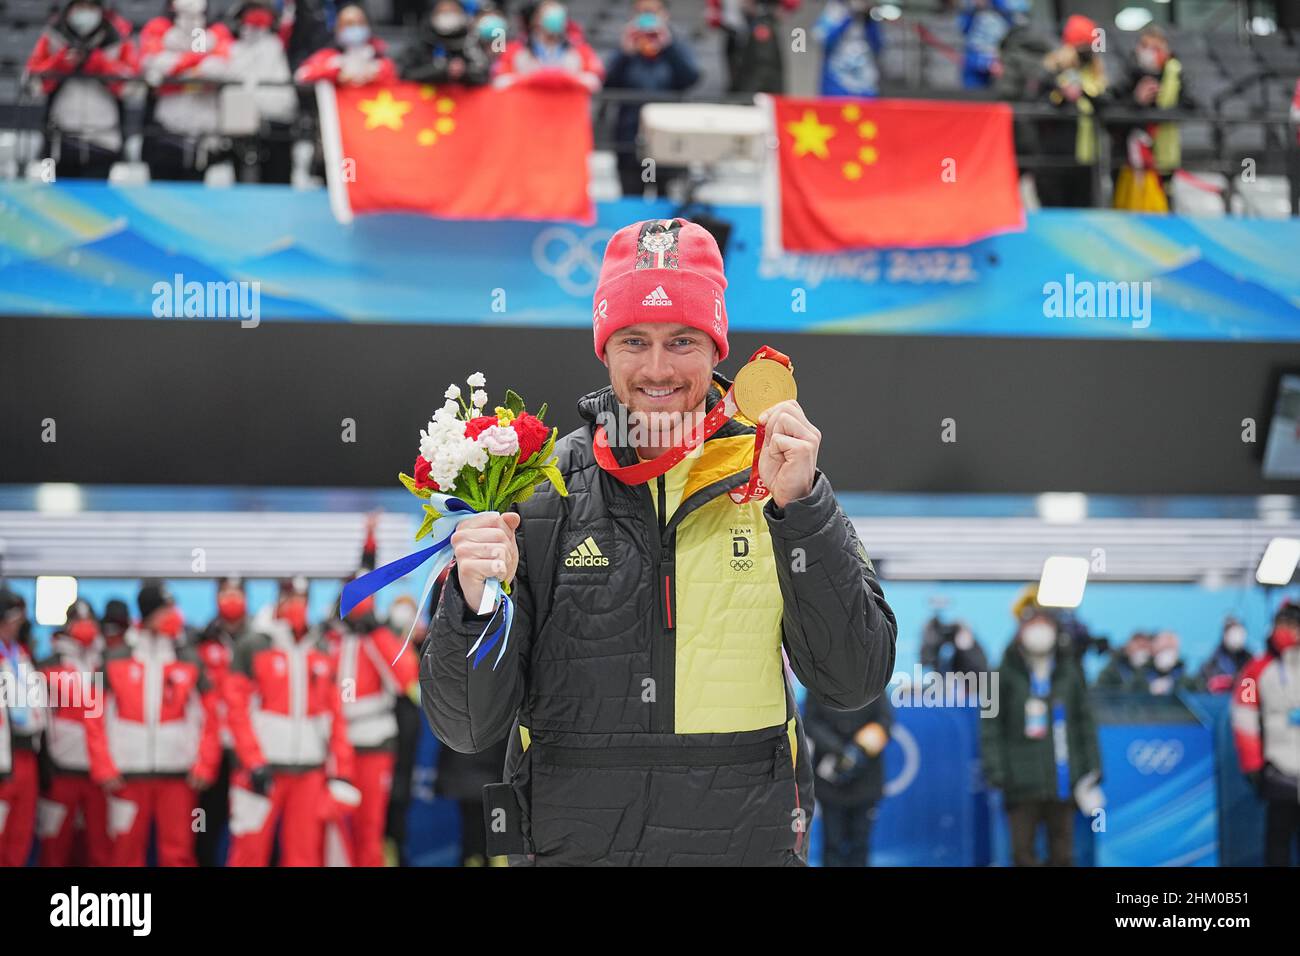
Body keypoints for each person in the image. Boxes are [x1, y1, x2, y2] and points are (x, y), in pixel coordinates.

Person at [420, 217, 898, 866]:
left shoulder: (780, 480)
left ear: (716, 348)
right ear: (605, 349)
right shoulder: (541, 494)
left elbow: (853, 679)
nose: (656, 368)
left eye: (681, 341)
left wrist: (805, 509)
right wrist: (475, 603)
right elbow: (466, 725)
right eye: (634, 340)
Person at [83, 582, 221, 867]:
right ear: (149, 614)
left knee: (179, 854)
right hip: (126, 777)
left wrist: (205, 764)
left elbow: (211, 716)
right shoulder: (113, 658)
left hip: (178, 778)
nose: (175, 616)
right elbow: (93, 714)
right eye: (166, 610)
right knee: (124, 854)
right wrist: (103, 767)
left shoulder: (189, 659)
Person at [223, 577, 355, 866]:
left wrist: (341, 770)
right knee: (249, 853)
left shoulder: (320, 648)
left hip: (309, 771)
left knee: (304, 856)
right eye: (289, 597)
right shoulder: (253, 644)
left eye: (302, 598)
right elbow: (236, 710)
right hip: (261, 772)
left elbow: (334, 715)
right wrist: (253, 761)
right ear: (278, 600)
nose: (296, 605)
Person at [327, 517, 419, 867]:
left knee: (370, 830)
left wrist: (376, 632)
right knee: (336, 830)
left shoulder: (379, 638)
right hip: (336, 748)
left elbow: (404, 680)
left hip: (375, 744)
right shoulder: (330, 638)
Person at [980, 609, 1101, 866]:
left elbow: (1085, 723)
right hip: (1019, 781)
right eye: (1033, 624)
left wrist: (1092, 767)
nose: (1039, 630)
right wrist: (997, 771)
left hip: (1063, 779)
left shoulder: (1070, 671)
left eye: (1045, 624)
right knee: (1022, 853)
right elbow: (990, 727)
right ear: (1020, 631)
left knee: (1063, 853)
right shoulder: (999, 673)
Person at [24, 0, 139, 179]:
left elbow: (133, 88)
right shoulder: (53, 36)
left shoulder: (118, 38)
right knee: (58, 201)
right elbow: (32, 84)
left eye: (91, 7)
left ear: (101, 10)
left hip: (103, 141)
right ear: (69, 9)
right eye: (80, 7)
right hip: (60, 143)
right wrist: (60, 64)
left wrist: (100, 65)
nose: (85, 13)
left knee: (97, 202)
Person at [36, 600, 111, 867]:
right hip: (60, 773)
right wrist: (44, 765)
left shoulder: (104, 665)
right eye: (78, 621)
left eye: (89, 621)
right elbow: (38, 720)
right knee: (54, 847)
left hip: (99, 777)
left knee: (100, 850)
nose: (84, 627)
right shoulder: (47, 665)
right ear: (67, 626)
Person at [603, 0, 699, 197]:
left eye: (653, 12)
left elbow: (690, 78)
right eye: (642, 12)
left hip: (666, 141)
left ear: (665, 15)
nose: (648, 17)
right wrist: (625, 54)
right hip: (630, 140)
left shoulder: (675, 44)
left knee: (665, 204)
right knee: (633, 202)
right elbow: (607, 84)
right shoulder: (626, 45)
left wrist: (668, 46)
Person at [1232, 602, 1300, 866]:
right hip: (1278, 770)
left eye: (1293, 625)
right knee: (1277, 842)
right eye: (1283, 624)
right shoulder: (1255, 670)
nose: (1289, 632)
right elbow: (1244, 717)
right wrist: (1254, 767)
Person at [139, 0, 235, 180]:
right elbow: (156, 64)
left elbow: (219, 69)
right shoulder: (160, 27)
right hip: (166, 130)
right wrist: (193, 64)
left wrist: (182, 72)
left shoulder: (212, 31)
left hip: (202, 133)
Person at [193, 576, 249, 867]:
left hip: (248, 750)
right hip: (211, 750)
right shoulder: (201, 641)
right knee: (205, 825)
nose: (231, 599)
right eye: (225, 593)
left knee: (251, 827)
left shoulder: (258, 640)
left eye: (236, 593)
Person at [803, 692, 892, 866]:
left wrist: (858, 750)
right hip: (829, 780)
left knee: (860, 844)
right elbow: (810, 721)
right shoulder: (818, 681)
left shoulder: (873, 682)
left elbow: (885, 721)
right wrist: (838, 750)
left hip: (866, 778)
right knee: (832, 843)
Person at [1111, 23, 1191, 211]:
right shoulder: (1126, 74)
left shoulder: (1176, 76)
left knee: (1163, 212)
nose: (1150, 52)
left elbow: (1191, 106)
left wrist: (1160, 109)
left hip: (1163, 161)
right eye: (1145, 46)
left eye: (1156, 48)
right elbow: (1112, 114)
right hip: (1126, 163)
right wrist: (1137, 101)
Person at [1035, 13, 1108, 208]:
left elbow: (1105, 103)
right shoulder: (1051, 71)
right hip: (1055, 159)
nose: (1087, 53)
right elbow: (1037, 108)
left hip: (1086, 159)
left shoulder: (1095, 73)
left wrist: (1084, 92)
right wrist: (1061, 95)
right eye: (1082, 47)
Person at [0, 588, 42, 867]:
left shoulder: (22, 656)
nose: (17, 625)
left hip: (26, 756)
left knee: (21, 834)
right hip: (3, 764)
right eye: (13, 619)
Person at [494, 1, 603, 91]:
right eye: (548, 16)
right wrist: (534, 80)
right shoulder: (515, 49)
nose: (555, 20)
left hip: (565, 111)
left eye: (558, 17)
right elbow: (500, 81)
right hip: (526, 110)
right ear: (536, 19)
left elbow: (594, 81)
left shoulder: (580, 49)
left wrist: (563, 80)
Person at [709, 0, 799, 94]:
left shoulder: (761, 28)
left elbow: (763, 72)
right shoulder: (743, 29)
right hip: (737, 37)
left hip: (758, 94)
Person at [295, 3, 397, 85]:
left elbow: (396, 77)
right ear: (338, 28)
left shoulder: (378, 55)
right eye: (349, 24)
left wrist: (375, 75)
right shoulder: (329, 56)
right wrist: (336, 73)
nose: (356, 27)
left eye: (360, 23)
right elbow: (301, 75)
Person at [398, 0, 492, 85]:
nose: (447, 15)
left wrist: (464, 72)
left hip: (464, 101)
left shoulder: (472, 41)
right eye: (442, 11)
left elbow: (485, 75)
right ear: (433, 15)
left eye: (453, 11)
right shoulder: (421, 41)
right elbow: (405, 73)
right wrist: (439, 71)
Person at [812, 0, 881, 97]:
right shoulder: (834, 10)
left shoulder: (869, 16)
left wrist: (868, 20)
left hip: (864, 82)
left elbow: (878, 46)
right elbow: (822, 38)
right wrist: (848, 18)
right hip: (836, 79)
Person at [958, 0, 1022, 90]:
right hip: (976, 63)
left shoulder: (1004, 8)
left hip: (999, 62)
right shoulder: (971, 10)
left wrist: (1000, 62)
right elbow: (964, 30)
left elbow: (1013, 34)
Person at [1194, 617, 1252, 694]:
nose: (1237, 637)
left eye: (1240, 633)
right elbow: (1202, 691)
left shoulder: (1251, 661)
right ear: (1225, 634)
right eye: (1233, 633)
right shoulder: (1210, 665)